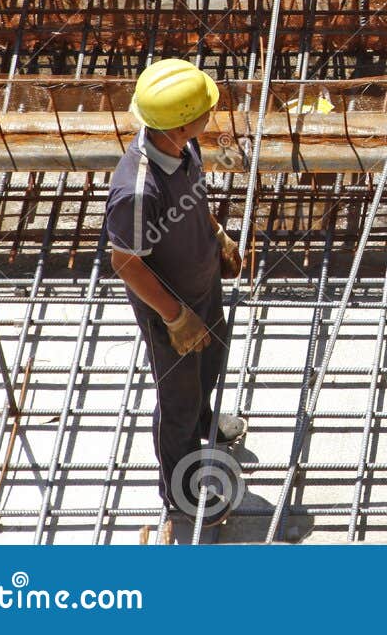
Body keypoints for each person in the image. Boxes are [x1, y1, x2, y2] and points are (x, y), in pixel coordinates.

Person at [106, 58, 247, 523]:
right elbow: (125, 261)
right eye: (206, 109)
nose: (212, 114)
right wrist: (175, 317)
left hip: (201, 283)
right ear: (186, 120)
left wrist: (216, 234)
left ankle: (207, 422)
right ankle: (182, 495)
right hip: (169, 308)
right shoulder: (138, 189)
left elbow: (195, 198)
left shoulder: (184, 148)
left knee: (211, 362)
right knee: (177, 403)